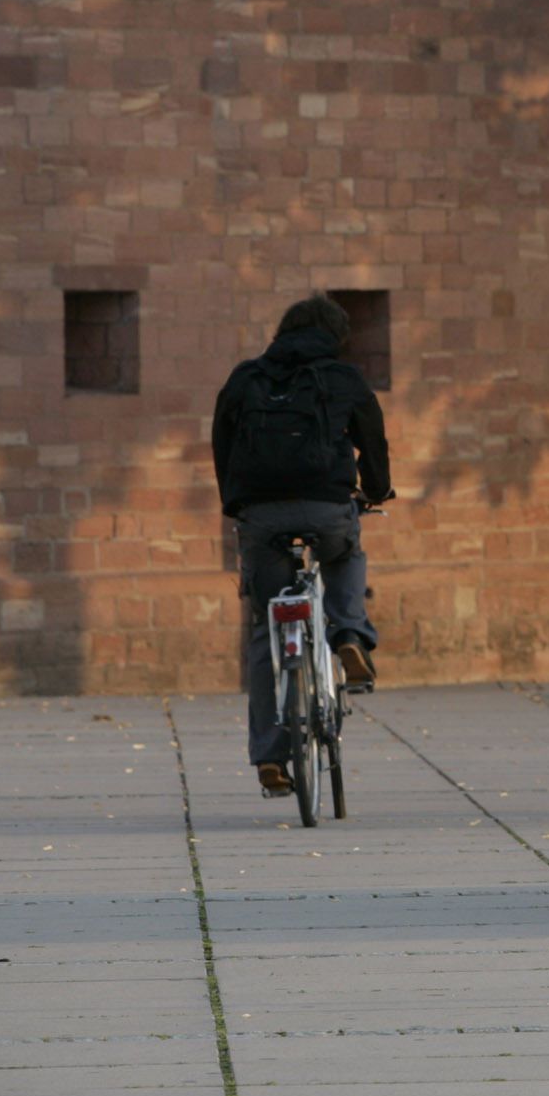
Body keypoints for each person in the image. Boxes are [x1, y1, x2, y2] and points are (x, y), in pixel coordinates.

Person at [210, 295, 390, 798]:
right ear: (336, 336)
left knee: (265, 626)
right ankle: (349, 633)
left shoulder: (245, 378)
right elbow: (373, 442)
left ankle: (271, 758)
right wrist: (376, 490)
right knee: (345, 553)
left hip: (260, 516)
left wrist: (235, 502)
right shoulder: (344, 377)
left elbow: (222, 443)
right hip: (327, 507)